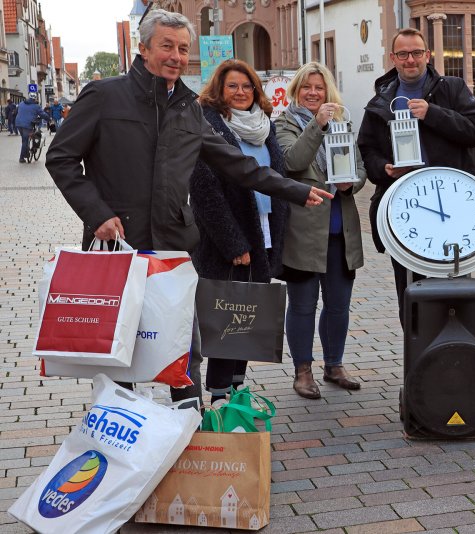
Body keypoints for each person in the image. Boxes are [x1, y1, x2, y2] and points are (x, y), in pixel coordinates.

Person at [45, 9, 332, 405]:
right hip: (119, 247)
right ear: (143, 48)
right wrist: (97, 214)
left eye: (183, 48)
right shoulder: (104, 96)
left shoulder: (188, 108)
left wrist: (294, 191)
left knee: (184, 346)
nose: (176, 56)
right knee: (119, 346)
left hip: (174, 247)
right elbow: (60, 157)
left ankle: (190, 428)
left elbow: (236, 164)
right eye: (167, 46)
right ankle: (121, 429)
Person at [357, 28, 475, 325]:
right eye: (402, 54)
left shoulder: (452, 88)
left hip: (453, 208)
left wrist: (434, 113)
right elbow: (367, 149)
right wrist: (385, 169)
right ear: (393, 58)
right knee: (410, 291)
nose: (410, 59)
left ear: (428, 55)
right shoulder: (382, 100)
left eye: (416, 52)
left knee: (452, 284)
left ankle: (452, 355)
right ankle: (417, 361)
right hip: (405, 209)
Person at [189, 59, 291, 404]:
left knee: (250, 312)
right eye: (232, 86)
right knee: (226, 316)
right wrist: (232, 242)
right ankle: (218, 393)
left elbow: (277, 176)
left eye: (247, 86)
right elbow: (204, 191)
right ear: (219, 90)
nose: (241, 92)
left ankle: (236, 387)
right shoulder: (210, 126)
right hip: (226, 238)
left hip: (262, 230)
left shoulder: (266, 127)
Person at [275, 62, 367, 399]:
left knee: (339, 305)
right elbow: (292, 162)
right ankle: (302, 371)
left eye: (319, 87)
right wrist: (316, 125)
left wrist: (351, 183)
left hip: (341, 230)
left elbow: (359, 169)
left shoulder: (343, 124)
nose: (313, 93)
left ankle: (334, 365)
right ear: (296, 91)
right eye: (307, 88)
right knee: (302, 306)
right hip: (303, 231)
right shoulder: (284, 124)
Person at [15, 95, 48, 163]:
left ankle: (27, 153)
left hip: (18, 123)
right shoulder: (36, 106)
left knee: (24, 140)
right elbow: (42, 114)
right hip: (28, 125)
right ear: (35, 99)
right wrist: (48, 118)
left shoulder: (21, 103)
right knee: (25, 141)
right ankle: (21, 158)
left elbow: (16, 111)